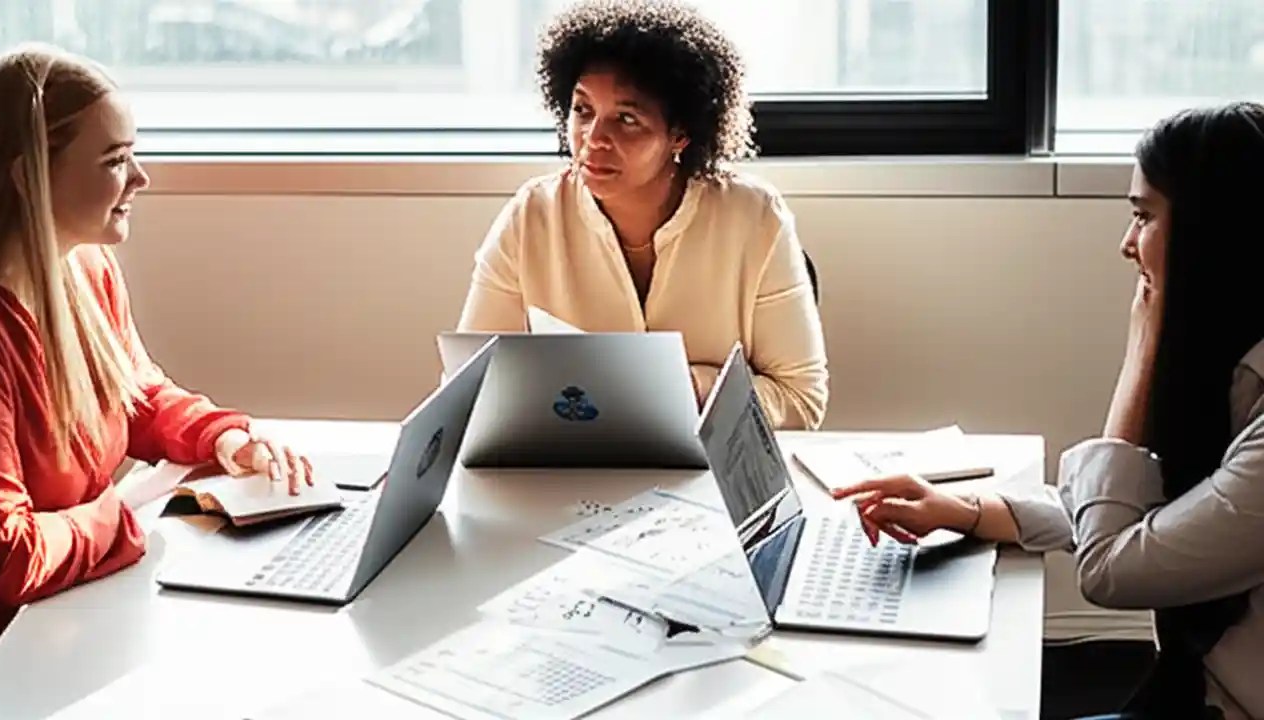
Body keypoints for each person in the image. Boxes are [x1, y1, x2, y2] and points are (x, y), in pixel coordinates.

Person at [831, 103, 1264, 719]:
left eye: (1143, 216)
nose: (1126, 244)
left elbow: (1111, 566)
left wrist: (1140, 356)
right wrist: (969, 512)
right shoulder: (1237, 364)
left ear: (1214, 234)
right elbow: (1170, 516)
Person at [0, 45, 314, 652]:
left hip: (80, 606)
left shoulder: (88, 269)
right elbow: (9, 560)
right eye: (116, 160)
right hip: (12, 649)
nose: (141, 178)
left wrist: (226, 439)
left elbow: (136, 397)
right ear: (29, 176)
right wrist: (129, 510)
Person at [455, 0, 828, 430]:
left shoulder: (756, 218)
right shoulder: (530, 216)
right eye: (582, 111)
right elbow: (468, 388)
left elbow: (802, 400)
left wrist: (691, 386)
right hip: (568, 467)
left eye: (626, 119)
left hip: (710, 477)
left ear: (681, 134)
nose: (594, 139)